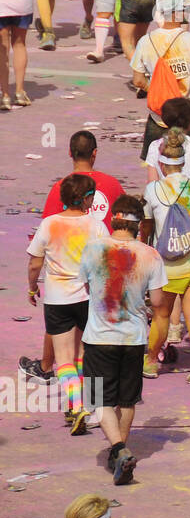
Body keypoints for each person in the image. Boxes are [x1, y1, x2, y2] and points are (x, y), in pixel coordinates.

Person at [79, 195, 167, 485]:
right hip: (134, 338)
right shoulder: (151, 255)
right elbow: (157, 301)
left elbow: (87, 286)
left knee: (95, 398)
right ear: (138, 225)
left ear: (113, 221)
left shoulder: (93, 249)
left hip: (97, 336)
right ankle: (120, 453)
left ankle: (118, 449)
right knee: (127, 400)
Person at [27, 174, 108, 434]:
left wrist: (32, 286)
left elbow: (35, 262)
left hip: (57, 298)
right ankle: (89, 404)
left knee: (64, 360)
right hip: (88, 298)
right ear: (86, 199)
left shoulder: (50, 224)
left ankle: (75, 405)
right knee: (85, 355)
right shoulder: (96, 226)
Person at [141, 128, 190, 383]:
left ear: (161, 163)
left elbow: (147, 226)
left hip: (168, 265)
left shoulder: (152, 190)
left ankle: (150, 363)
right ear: (183, 161)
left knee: (162, 315)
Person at [130, 0, 190, 161]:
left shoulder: (146, 41)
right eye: (184, 9)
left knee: (156, 163)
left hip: (159, 114)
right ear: (175, 13)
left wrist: (154, 90)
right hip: (189, 113)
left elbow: (138, 80)